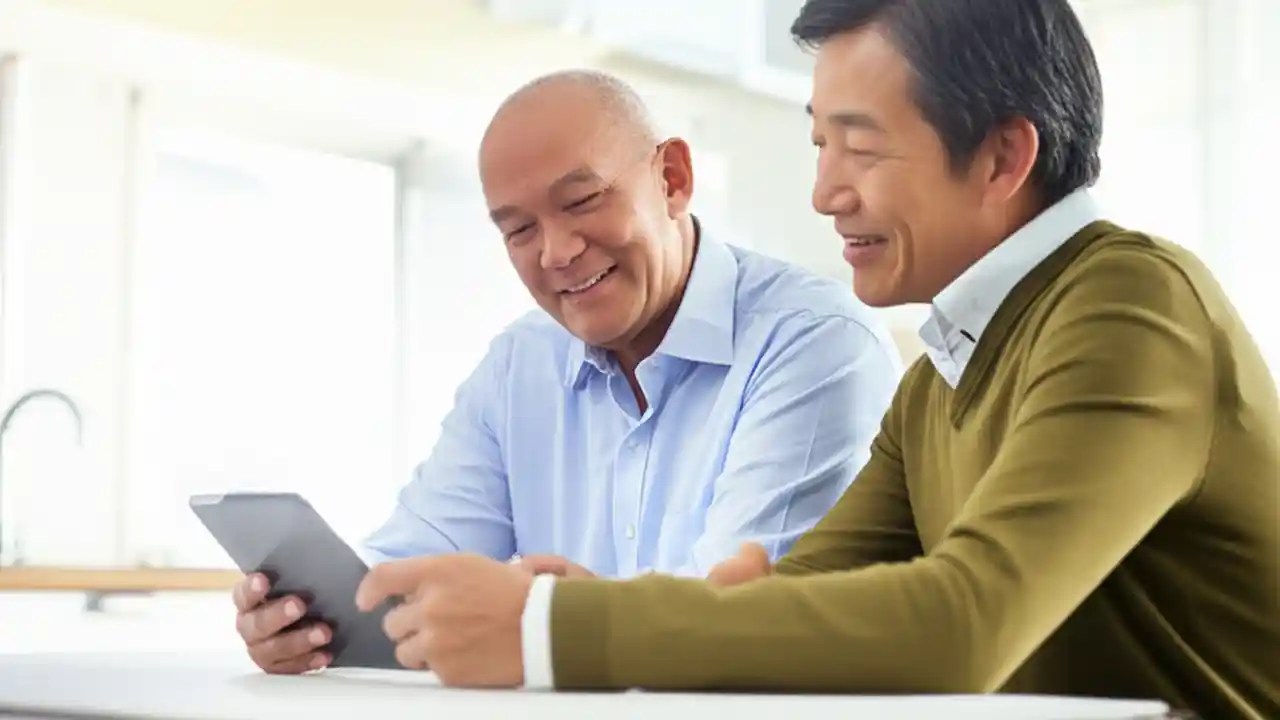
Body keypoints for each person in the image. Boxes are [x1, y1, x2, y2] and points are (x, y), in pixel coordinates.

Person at [352, 1, 1280, 717]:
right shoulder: (937, 380)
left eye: (860, 148)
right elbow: (789, 596)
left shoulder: (1129, 303)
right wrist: (618, 611)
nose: (825, 192)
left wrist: (556, 630)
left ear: (1002, 156)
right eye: (819, 144)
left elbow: (964, 623)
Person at [230, 70, 902, 675]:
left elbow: (747, 622)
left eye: (582, 202)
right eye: (518, 231)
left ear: (672, 179)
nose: (556, 252)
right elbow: (407, 568)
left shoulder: (815, 344)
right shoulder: (521, 363)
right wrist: (311, 622)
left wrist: (574, 622)